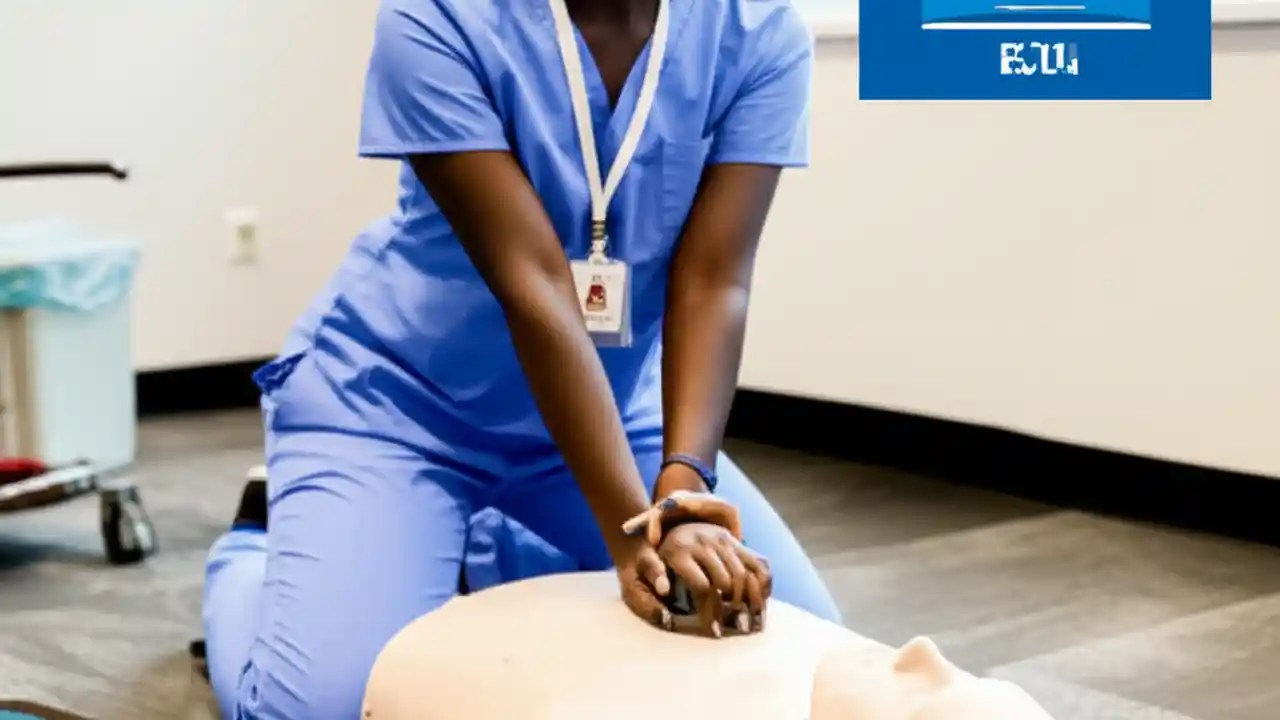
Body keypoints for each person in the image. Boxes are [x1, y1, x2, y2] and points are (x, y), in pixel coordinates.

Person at [201, 0, 840, 717]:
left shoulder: (758, 31)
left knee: (801, 652)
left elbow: (714, 279)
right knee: (323, 709)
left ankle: (483, 546)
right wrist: (632, 530)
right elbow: (531, 278)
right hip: (396, 409)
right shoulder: (439, 17)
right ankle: (252, 553)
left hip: (609, 413)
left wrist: (682, 491)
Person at [360, 570, 1056, 720]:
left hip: (631, 405)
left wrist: (683, 479)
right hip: (407, 397)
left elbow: (717, 284)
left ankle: (498, 543)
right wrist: (645, 523)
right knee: (318, 695)